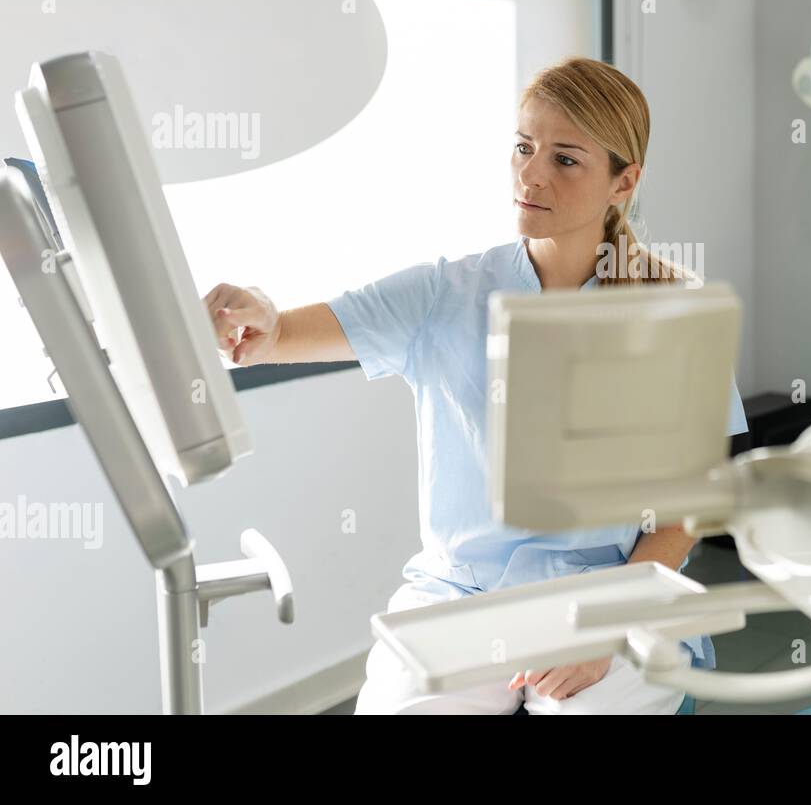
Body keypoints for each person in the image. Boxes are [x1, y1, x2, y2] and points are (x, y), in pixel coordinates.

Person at [203, 57, 747, 714]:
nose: (530, 173)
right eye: (524, 147)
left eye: (566, 159)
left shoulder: (674, 307)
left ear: (623, 181)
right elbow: (282, 331)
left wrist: (608, 619)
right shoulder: (445, 292)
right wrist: (258, 310)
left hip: (606, 591)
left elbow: (688, 505)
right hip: (458, 595)